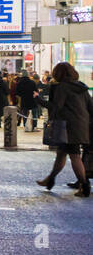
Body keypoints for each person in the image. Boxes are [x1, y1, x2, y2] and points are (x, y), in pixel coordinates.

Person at [35, 62, 90, 197]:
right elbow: (90, 106)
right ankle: (50, 179)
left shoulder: (62, 87)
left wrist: (38, 99)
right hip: (80, 125)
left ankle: (84, 186)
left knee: (74, 155)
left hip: (67, 127)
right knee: (61, 154)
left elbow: (56, 107)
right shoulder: (81, 87)